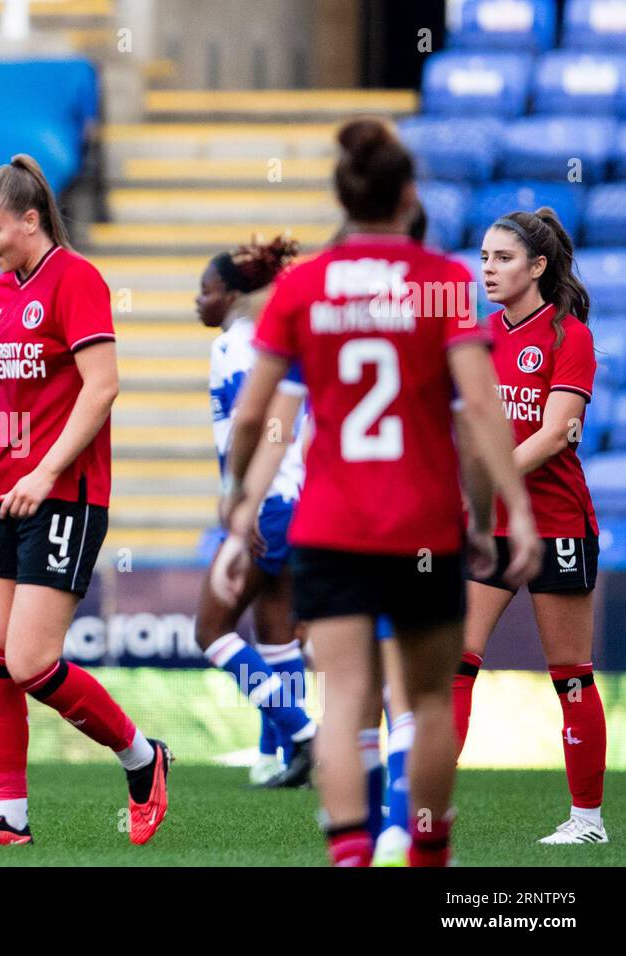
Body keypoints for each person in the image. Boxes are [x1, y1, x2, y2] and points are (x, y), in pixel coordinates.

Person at [216, 118, 541, 866]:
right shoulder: (441, 283)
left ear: (344, 196)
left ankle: (350, 856)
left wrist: (238, 505)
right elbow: (480, 411)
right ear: (408, 196)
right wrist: (503, 517)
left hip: (330, 526)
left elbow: (255, 416)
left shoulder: (303, 287)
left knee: (345, 701)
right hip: (422, 527)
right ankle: (427, 856)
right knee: (425, 701)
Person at [0, 154, 170, 848]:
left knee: (31, 662)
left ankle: (142, 757)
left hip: (63, 492)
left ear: (30, 220)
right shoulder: (6, 292)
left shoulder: (77, 279)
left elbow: (102, 386)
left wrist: (42, 472)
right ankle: (9, 820)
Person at [453, 207, 608, 845]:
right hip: (490, 529)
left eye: (503, 258)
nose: (488, 269)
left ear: (538, 267)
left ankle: (588, 822)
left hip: (557, 525)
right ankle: (416, 813)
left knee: (570, 674)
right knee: (453, 667)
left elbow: (554, 435)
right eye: (485, 258)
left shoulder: (570, 336)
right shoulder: (478, 338)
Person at [195, 235, 316, 788]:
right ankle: (281, 757)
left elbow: (258, 420)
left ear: (234, 296)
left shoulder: (236, 345)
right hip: (295, 498)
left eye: (208, 291)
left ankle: (305, 735)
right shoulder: (274, 344)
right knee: (277, 632)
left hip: (267, 501)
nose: (199, 302)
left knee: (211, 631)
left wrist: (245, 500)